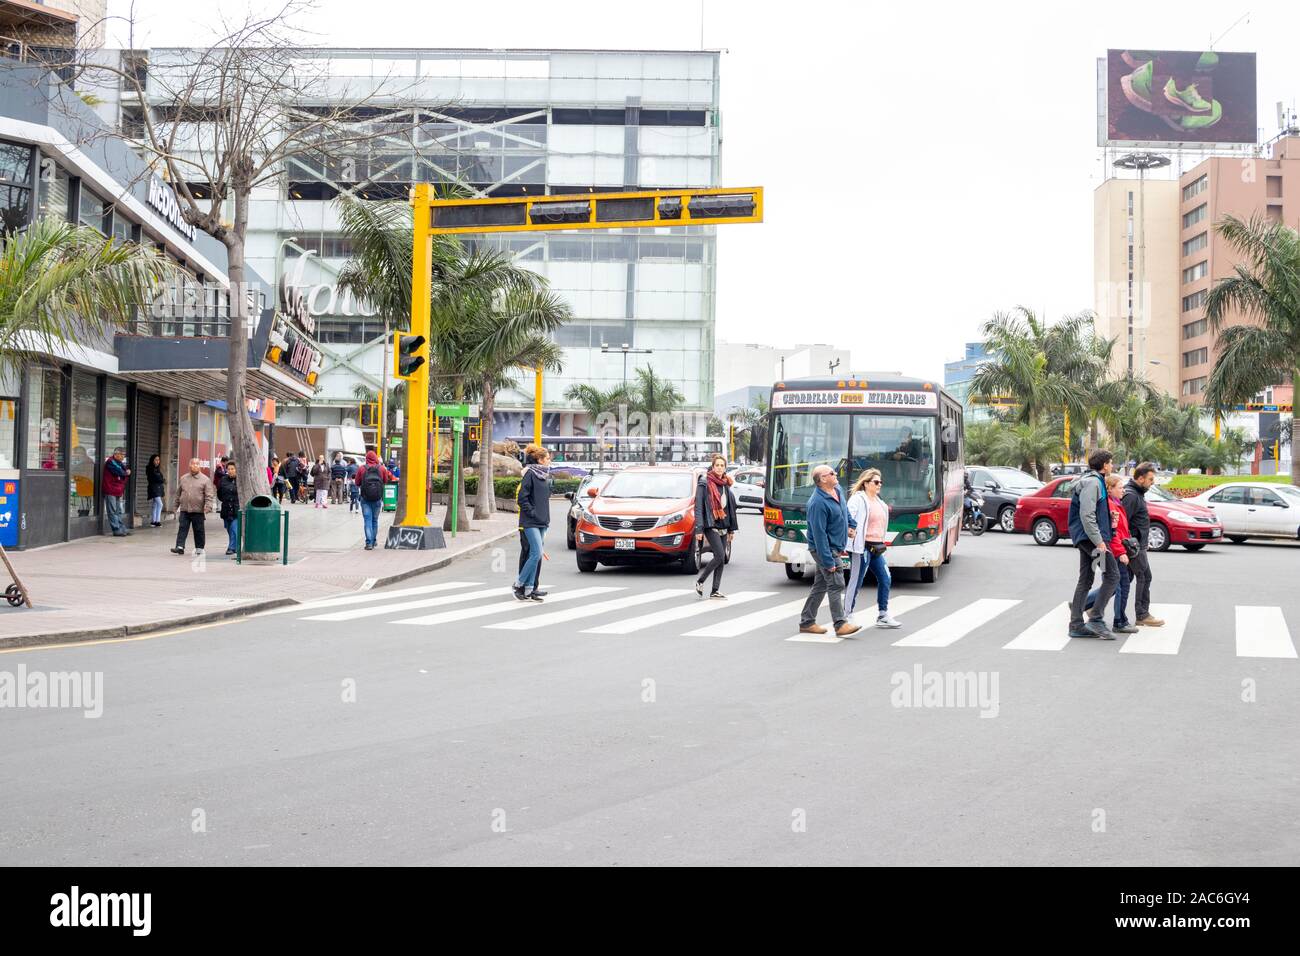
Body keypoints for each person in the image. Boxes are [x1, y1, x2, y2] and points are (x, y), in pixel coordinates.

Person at [799, 465, 861, 637]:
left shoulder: (837, 490)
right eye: (832, 473)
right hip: (824, 549)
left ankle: (807, 622)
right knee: (836, 583)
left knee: (820, 585)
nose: (836, 475)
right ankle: (840, 624)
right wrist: (828, 561)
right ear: (823, 479)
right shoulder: (817, 503)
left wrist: (851, 525)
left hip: (834, 546)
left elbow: (844, 509)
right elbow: (819, 535)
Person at [1067, 449, 1119, 640]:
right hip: (1091, 541)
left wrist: (1107, 516)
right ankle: (1096, 618)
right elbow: (1087, 515)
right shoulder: (1093, 482)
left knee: (1087, 578)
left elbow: (1093, 511)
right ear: (1104, 465)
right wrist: (1099, 542)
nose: (1112, 466)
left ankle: (1076, 625)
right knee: (1113, 575)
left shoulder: (1093, 480)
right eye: (1111, 462)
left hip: (1087, 539)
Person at [846, 468, 900, 628]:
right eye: (876, 482)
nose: (879, 485)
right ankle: (847, 615)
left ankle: (883, 614)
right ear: (866, 483)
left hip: (876, 547)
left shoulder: (880, 502)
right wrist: (850, 529)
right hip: (861, 547)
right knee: (856, 580)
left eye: (880, 482)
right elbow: (848, 517)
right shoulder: (858, 499)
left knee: (886, 578)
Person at [1083, 472, 1136, 633]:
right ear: (1110, 489)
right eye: (1120, 487)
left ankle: (1083, 604)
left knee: (1113, 585)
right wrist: (1121, 553)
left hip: (1113, 549)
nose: (1123, 491)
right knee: (1121, 585)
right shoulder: (1112, 507)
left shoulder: (1115, 503)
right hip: (1113, 550)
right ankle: (1119, 620)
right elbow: (1114, 533)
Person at [1122, 462, 1164, 628]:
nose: (1152, 482)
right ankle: (1142, 614)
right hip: (1134, 545)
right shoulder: (1131, 496)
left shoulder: (1137, 493)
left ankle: (1089, 605)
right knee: (1144, 577)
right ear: (1140, 478)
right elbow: (1123, 522)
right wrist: (1131, 543)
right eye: (1150, 479)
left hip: (1137, 544)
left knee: (1120, 580)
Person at [694, 454, 738, 599]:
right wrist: (699, 529)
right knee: (719, 555)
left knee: (721, 559)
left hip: (724, 525)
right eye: (717, 465)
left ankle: (715, 590)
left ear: (725, 468)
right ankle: (700, 581)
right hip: (710, 525)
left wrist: (731, 529)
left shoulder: (726, 484)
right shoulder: (704, 483)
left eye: (722, 465)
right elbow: (699, 507)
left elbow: (730, 508)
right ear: (713, 467)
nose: (719, 468)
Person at [513, 444, 552, 602]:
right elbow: (522, 498)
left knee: (536, 556)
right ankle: (519, 584)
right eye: (548, 458)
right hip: (530, 522)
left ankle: (530, 589)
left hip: (542, 522)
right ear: (540, 460)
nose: (550, 461)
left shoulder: (544, 475)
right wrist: (533, 513)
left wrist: (545, 519)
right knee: (534, 553)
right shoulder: (530, 474)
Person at [171, 457, 215, 556]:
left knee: (199, 529)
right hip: (185, 509)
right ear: (189, 465)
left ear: (200, 466)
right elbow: (178, 494)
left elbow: (209, 495)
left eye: (197, 464)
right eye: (193, 463)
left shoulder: (205, 480)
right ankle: (179, 547)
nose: (195, 465)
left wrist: (208, 506)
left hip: (198, 510)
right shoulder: (183, 478)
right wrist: (175, 507)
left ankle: (199, 548)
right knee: (182, 528)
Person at [355, 447, 395, 550]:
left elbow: (357, 483)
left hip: (365, 499)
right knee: (375, 520)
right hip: (377, 498)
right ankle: (373, 541)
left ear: (367, 458)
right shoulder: (381, 468)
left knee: (367, 520)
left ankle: (369, 543)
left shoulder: (362, 468)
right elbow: (385, 481)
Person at [102, 447, 131, 537]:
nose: (123, 457)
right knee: (112, 510)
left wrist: (125, 473)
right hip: (111, 489)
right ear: (116, 454)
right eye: (121, 454)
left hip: (118, 489)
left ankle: (121, 528)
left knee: (118, 510)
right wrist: (125, 473)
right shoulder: (111, 462)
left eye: (124, 455)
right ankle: (116, 529)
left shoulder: (120, 463)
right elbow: (121, 472)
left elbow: (124, 474)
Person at [218, 461, 241, 556]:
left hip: (236, 509)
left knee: (234, 528)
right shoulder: (223, 480)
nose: (230, 471)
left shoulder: (240, 481)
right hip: (226, 509)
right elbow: (219, 494)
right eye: (229, 469)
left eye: (232, 469)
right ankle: (235, 547)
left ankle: (231, 548)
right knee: (229, 529)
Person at [145, 453, 166, 527]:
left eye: (158, 460)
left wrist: (161, 479)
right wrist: (161, 480)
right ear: (152, 460)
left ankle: (153, 521)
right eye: (156, 460)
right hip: (154, 488)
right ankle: (157, 521)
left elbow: (160, 478)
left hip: (158, 488)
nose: (158, 461)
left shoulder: (157, 469)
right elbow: (156, 478)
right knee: (160, 504)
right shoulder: (150, 468)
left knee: (155, 505)